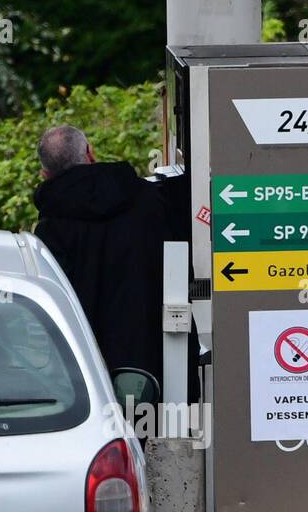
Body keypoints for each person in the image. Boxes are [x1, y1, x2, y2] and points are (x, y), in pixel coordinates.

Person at [33, 125, 198, 404]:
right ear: (90, 153)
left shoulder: (49, 231)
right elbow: (183, 266)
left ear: (45, 174)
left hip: (91, 373)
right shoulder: (150, 199)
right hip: (159, 357)